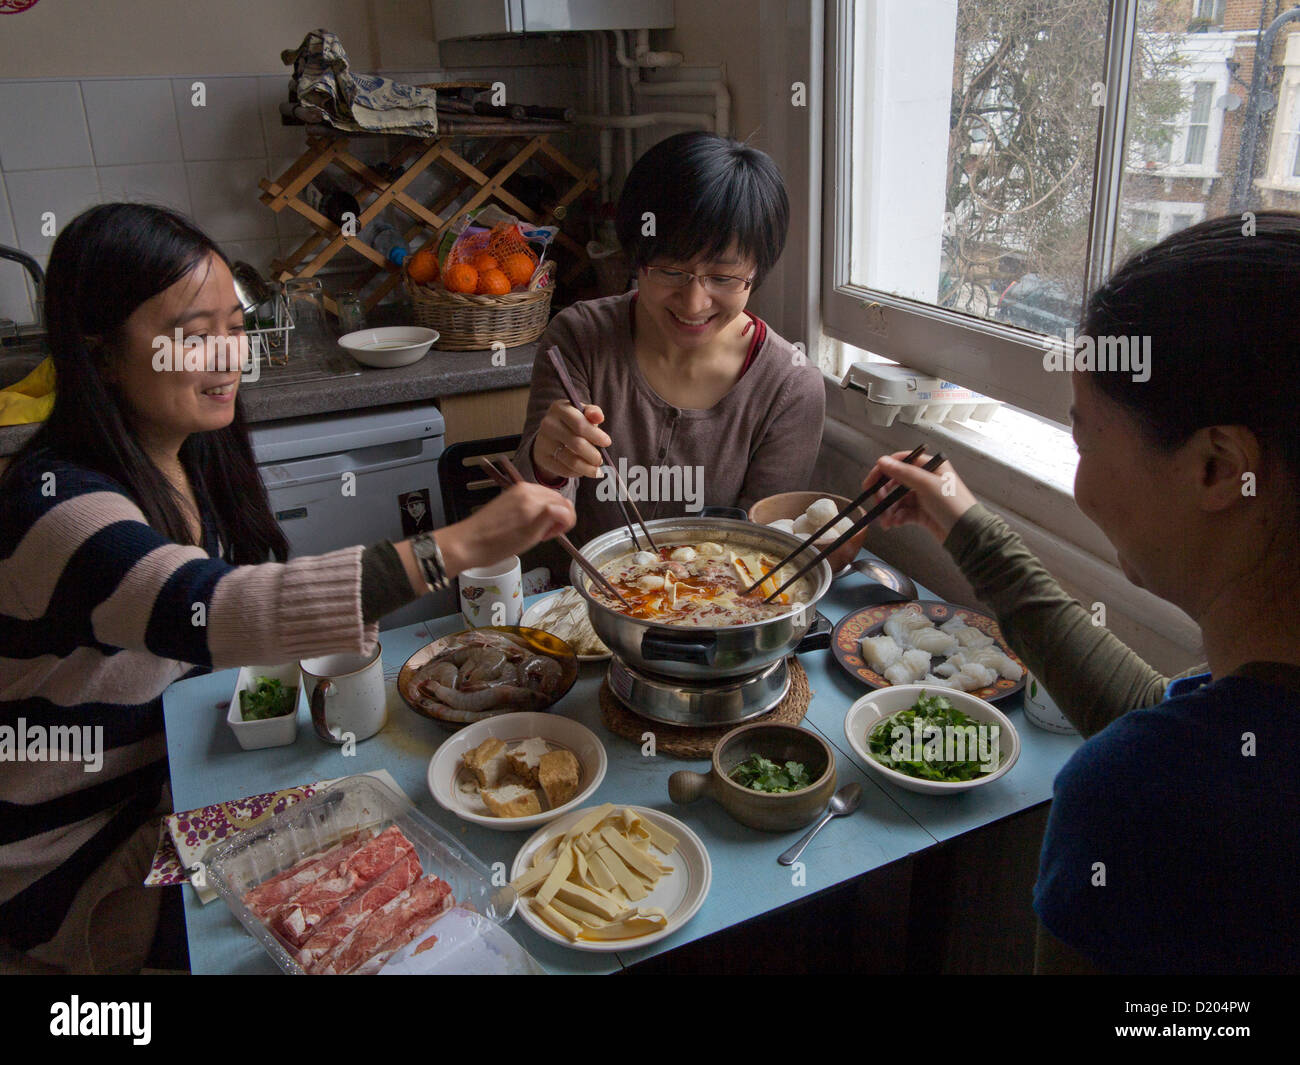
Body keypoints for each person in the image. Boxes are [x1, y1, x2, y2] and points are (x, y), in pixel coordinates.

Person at [0, 204, 575, 973]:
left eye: (232, 325)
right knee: (306, 938)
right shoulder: (55, 507)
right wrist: (458, 545)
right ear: (100, 355)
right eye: (192, 334)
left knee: (408, 835)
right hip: (80, 853)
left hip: (178, 777)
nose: (226, 354)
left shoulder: (186, 450)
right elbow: (207, 606)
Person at [860, 212, 1300, 974]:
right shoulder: (1223, 741)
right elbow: (1160, 714)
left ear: (1219, 466)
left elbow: (1165, 760)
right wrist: (961, 522)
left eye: (1086, 438)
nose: (1081, 478)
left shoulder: (1135, 803)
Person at [515, 131, 825, 547]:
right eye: (671, 271)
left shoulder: (789, 386)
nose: (694, 303)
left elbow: (761, 551)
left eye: (723, 277)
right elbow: (532, 526)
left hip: (718, 607)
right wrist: (546, 464)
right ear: (637, 257)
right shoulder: (579, 338)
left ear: (757, 272)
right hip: (577, 601)